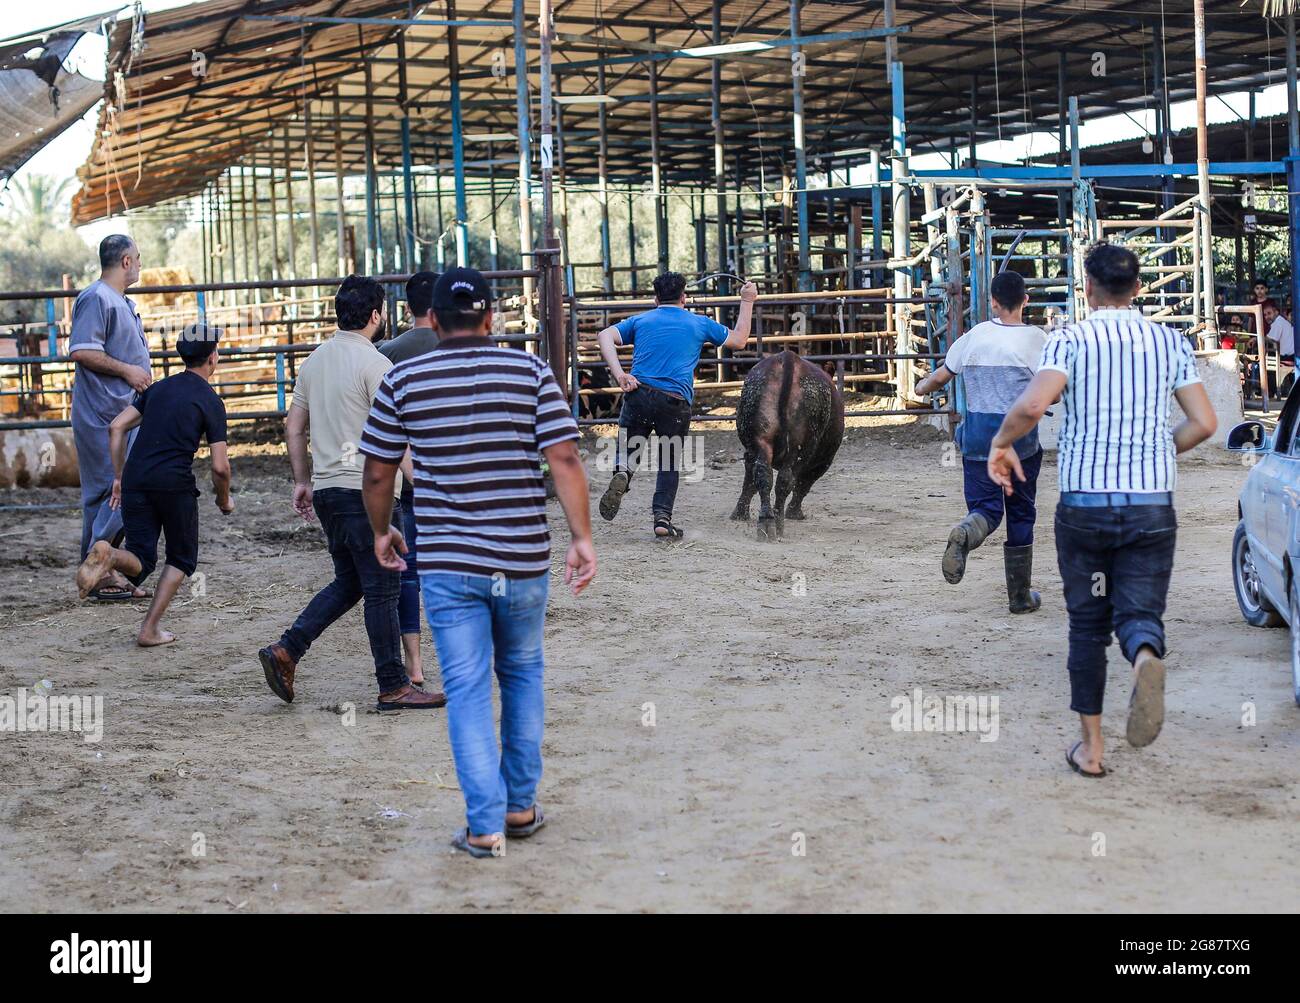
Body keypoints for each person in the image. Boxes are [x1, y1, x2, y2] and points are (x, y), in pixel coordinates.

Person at [359, 267, 597, 858]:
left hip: (448, 564)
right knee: (522, 675)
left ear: (433, 321)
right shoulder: (531, 372)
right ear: (491, 319)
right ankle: (520, 806)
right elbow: (564, 458)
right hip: (521, 559)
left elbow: (377, 471)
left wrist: (382, 530)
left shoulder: (404, 379)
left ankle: (484, 826)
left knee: (465, 690)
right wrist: (581, 537)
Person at [987, 242, 1217, 778]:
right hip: (1151, 505)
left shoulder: (1068, 340)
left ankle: (1091, 750)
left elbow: (1033, 405)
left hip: (1086, 504)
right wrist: (1156, 450)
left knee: (1088, 627)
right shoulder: (1169, 342)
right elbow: (1205, 423)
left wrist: (1002, 442)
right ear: (1138, 289)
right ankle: (1144, 659)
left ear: (1086, 287)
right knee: (1139, 615)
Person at [257, 276, 443, 712]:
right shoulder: (375, 364)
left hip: (328, 491)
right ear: (376, 315)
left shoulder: (314, 362)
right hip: (369, 492)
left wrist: (302, 481)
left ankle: (288, 649)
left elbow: (294, 427)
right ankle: (394, 686)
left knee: (352, 581)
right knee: (383, 588)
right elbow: (393, 433)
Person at [74, 323, 233, 645]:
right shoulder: (210, 401)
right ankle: (149, 629)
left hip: (136, 479)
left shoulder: (157, 390)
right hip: (174, 484)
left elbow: (117, 428)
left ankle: (111, 555)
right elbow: (220, 467)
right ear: (213, 357)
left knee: (141, 559)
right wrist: (223, 500)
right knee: (182, 559)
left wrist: (119, 477)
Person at [914, 270, 1046, 613]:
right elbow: (1053, 392)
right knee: (1020, 513)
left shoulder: (974, 336)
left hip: (975, 440)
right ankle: (1019, 597)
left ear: (993, 302)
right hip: (1019, 443)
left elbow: (942, 375)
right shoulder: (1036, 339)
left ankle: (965, 531)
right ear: (1025, 301)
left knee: (986, 509)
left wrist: (919, 388)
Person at [595, 270, 757, 538]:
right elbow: (739, 340)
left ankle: (623, 471)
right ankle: (662, 519)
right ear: (684, 297)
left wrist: (621, 374)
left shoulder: (641, 320)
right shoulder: (699, 323)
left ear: (656, 299)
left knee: (629, 447)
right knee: (669, 461)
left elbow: (604, 336)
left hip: (639, 393)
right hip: (675, 401)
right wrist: (747, 300)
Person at [69, 234, 152, 601]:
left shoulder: (119, 301)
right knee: (117, 489)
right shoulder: (96, 298)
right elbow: (83, 351)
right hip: (103, 414)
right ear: (124, 262)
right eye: (137, 257)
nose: (139, 263)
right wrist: (128, 372)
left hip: (120, 411)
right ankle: (98, 566)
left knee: (113, 490)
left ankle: (102, 567)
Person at [379, 270, 440, 688]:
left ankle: (414, 664)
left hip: (410, 475)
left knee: (411, 570)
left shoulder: (387, 353)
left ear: (407, 308)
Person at [1262, 298, 1295, 398]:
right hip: (1289, 356)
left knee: (1264, 363)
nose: (1267, 317)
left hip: (1287, 358)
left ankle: (1272, 391)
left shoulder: (1279, 322)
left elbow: (1269, 339)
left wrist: (1255, 339)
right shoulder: (1281, 322)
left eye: (1269, 313)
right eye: (1265, 315)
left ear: (1276, 312)